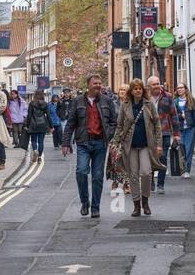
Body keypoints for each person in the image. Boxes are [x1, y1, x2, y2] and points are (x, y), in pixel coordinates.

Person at [62, 74, 117, 219]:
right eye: (95, 83)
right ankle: (85, 202)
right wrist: (66, 143)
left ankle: (95, 207)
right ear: (88, 85)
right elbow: (70, 123)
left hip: (100, 143)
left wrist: (109, 135)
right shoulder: (78, 101)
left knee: (97, 176)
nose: (98, 85)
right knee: (81, 172)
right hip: (83, 143)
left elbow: (114, 121)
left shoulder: (107, 101)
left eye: (99, 83)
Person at [112, 78, 164, 217]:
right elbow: (120, 125)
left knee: (146, 172)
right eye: (135, 88)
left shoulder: (149, 104)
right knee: (133, 175)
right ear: (131, 91)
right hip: (130, 145)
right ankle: (136, 204)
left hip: (146, 144)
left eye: (140, 88)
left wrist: (159, 144)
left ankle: (145, 201)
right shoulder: (125, 105)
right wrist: (115, 142)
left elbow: (157, 124)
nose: (138, 90)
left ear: (143, 90)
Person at [147, 76, 180, 195]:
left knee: (163, 158)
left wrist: (176, 134)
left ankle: (160, 184)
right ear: (149, 86)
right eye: (154, 84)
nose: (157, 86)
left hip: (165, 132)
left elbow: (174, 115)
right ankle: (149, 181)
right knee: (149, 158)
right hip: (148, 133)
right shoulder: (145, 98)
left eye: (158, 83)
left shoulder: (167, 96)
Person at [174, 83, 195, 179]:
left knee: (189, 150)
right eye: (178, 88)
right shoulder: (175, 101)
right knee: (181, 150)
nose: (179, 89)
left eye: (181, 87)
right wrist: (180, 116)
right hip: (180, 129)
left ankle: (187, 170)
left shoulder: (191, 101)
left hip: (190, 129)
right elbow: (173, 116)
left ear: (185, 89)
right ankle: (182, 169)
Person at [26, 90, 51, 163]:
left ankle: (35, 150)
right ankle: (39, 157)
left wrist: (27, 125)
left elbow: (29, 115)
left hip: (33, 124)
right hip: (43, 124)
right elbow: (48, 116)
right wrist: (51, 126)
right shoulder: (45, 104)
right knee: (41, 142)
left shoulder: (32, 103)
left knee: (33, 140)